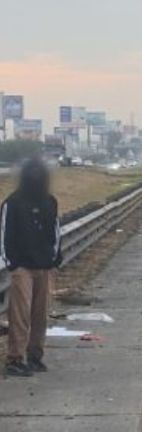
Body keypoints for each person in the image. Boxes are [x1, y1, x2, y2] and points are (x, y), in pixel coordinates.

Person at [1, 158, 62, 377]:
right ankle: (15, 359)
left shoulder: (49, 202)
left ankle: (35, 355)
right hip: (22, 268)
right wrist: (13, 264)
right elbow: (5, 235)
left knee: (40, 314)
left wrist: (54, 260)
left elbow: (56, 233)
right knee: (20, 314)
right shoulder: (13, 203)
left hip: (44, 266)